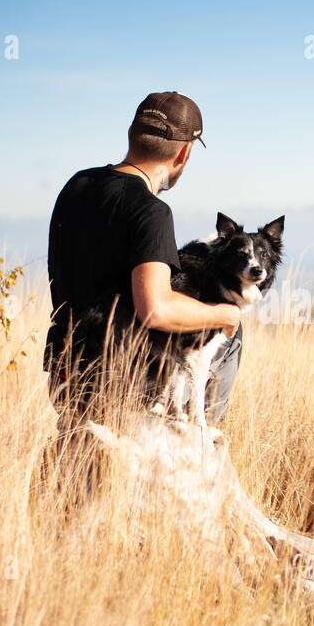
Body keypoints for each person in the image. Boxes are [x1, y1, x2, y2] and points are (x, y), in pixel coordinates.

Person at [45, 91, 243, 426]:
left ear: (131, 133)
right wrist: (226, 312)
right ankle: (200, 442)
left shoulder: (77, 184)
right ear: (185, 152)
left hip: (65, 374)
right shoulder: (152, 212)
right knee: (229, 328)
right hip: (126, 385)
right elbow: (155, 308)